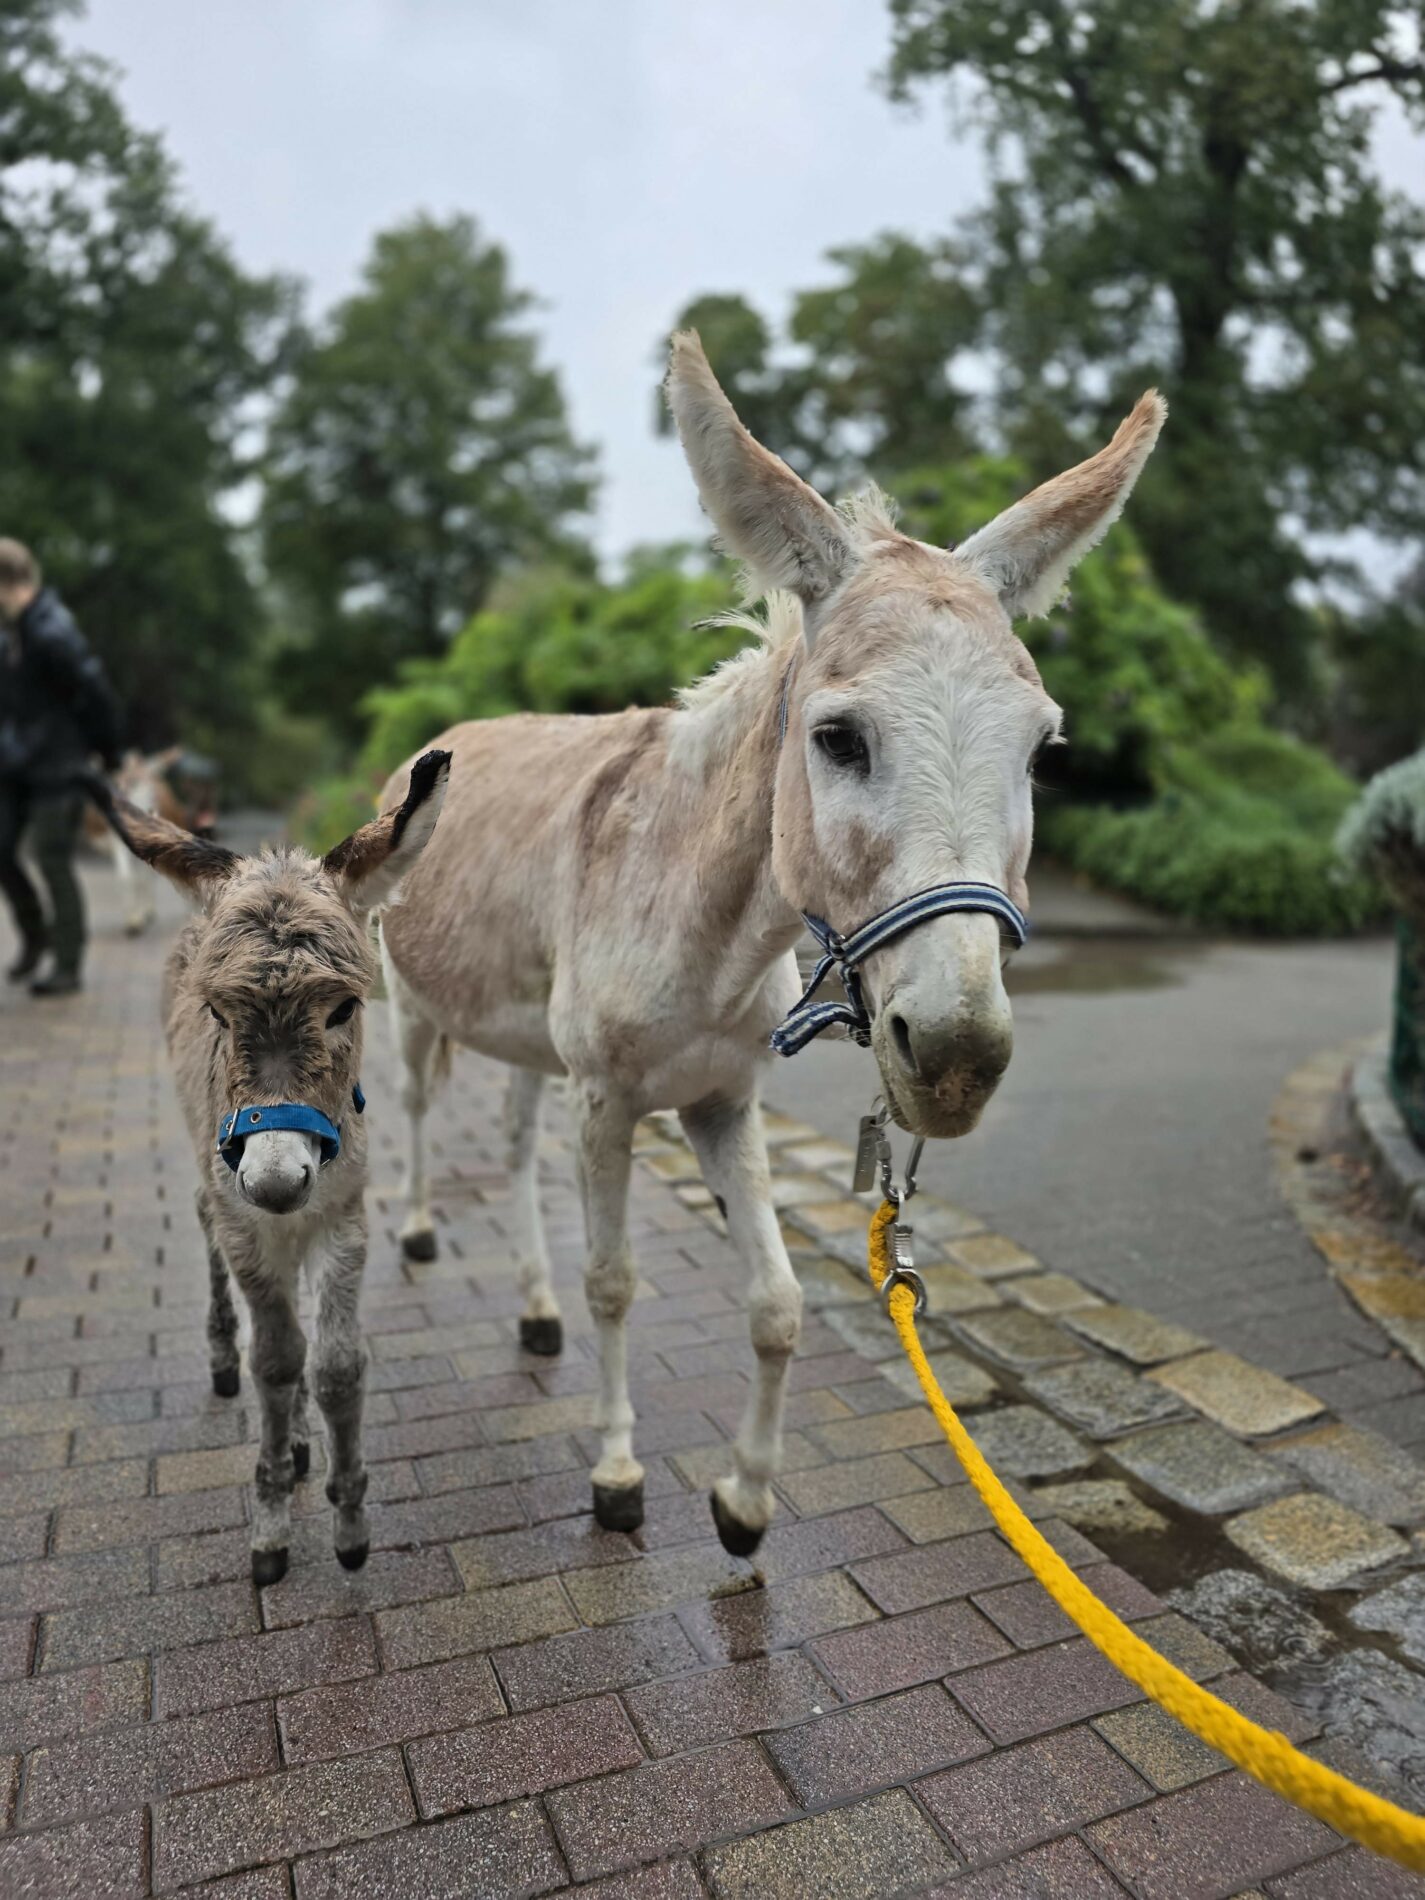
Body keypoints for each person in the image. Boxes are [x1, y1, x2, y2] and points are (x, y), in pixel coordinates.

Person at [0, 539, 123, 995]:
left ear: (8, 583)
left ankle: (67, 964)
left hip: (58, 765)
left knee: (52, 858)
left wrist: (106, 754)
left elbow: (95, 693)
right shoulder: (14, 631)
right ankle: (36, 936)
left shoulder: (52, 632)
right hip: (16, 764)